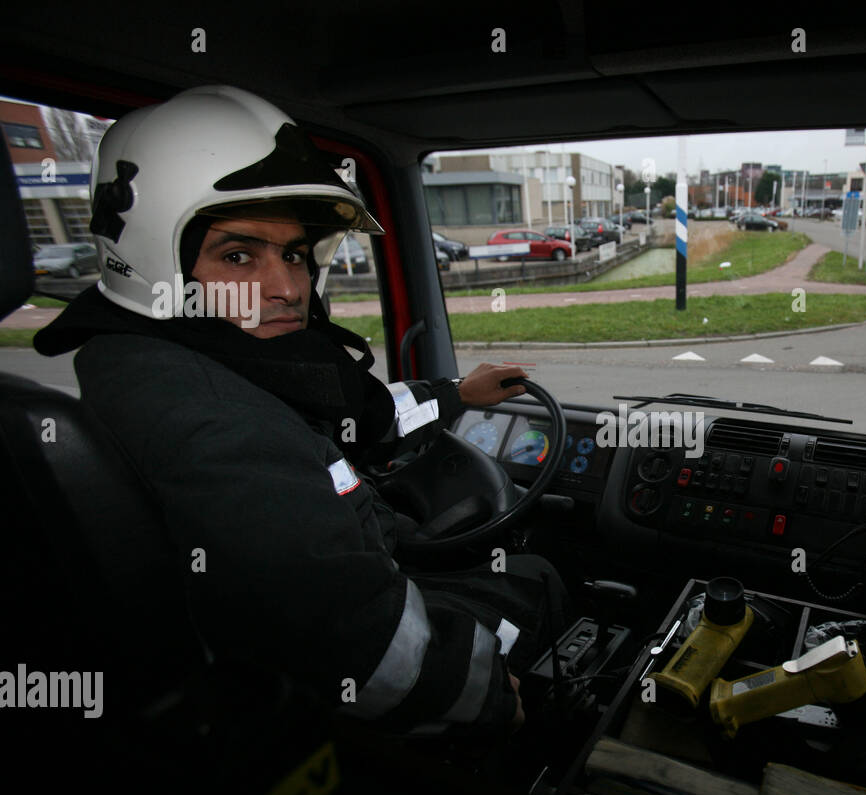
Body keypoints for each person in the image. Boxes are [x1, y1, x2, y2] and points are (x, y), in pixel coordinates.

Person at [34, 85, 566, 738]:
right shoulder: (211, 421)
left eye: (291, 253)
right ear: (153, 260)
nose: (289, 287)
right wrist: (484, 694)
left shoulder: (171, 357)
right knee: (537, 578)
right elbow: (366, 652)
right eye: (238, 255)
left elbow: (358, 420)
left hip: (342, 598)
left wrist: (456, 395)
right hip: (298, 705)